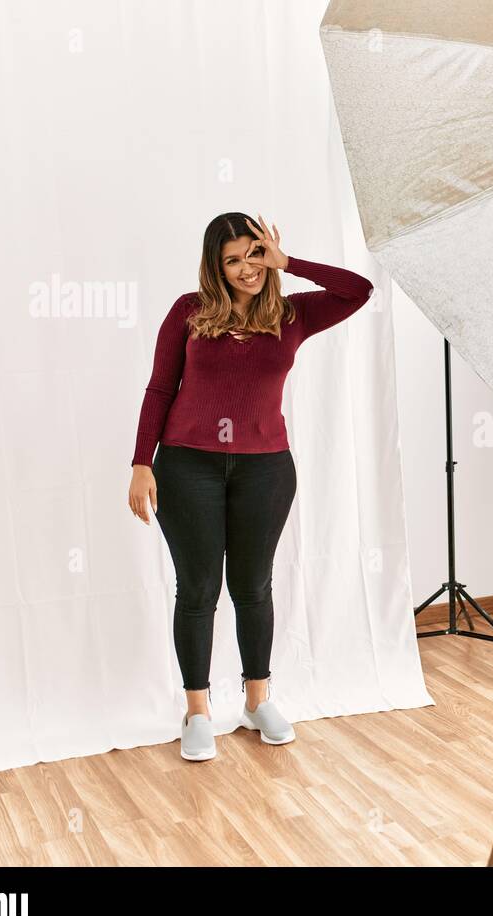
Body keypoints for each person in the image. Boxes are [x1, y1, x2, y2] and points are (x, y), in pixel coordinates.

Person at [127, 212, 373, 761]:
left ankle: (257, 700)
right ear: (215, 266)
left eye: (254, 255)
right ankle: (196, 711)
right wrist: (142, 462)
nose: (247, 269)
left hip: (265, 469)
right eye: (233, 260)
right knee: (197, 590)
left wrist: (290, 263)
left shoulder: (292, 315)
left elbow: (358, 289)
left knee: (253, 585)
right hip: (187, 466)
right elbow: (160, 386)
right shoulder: (188, 313)